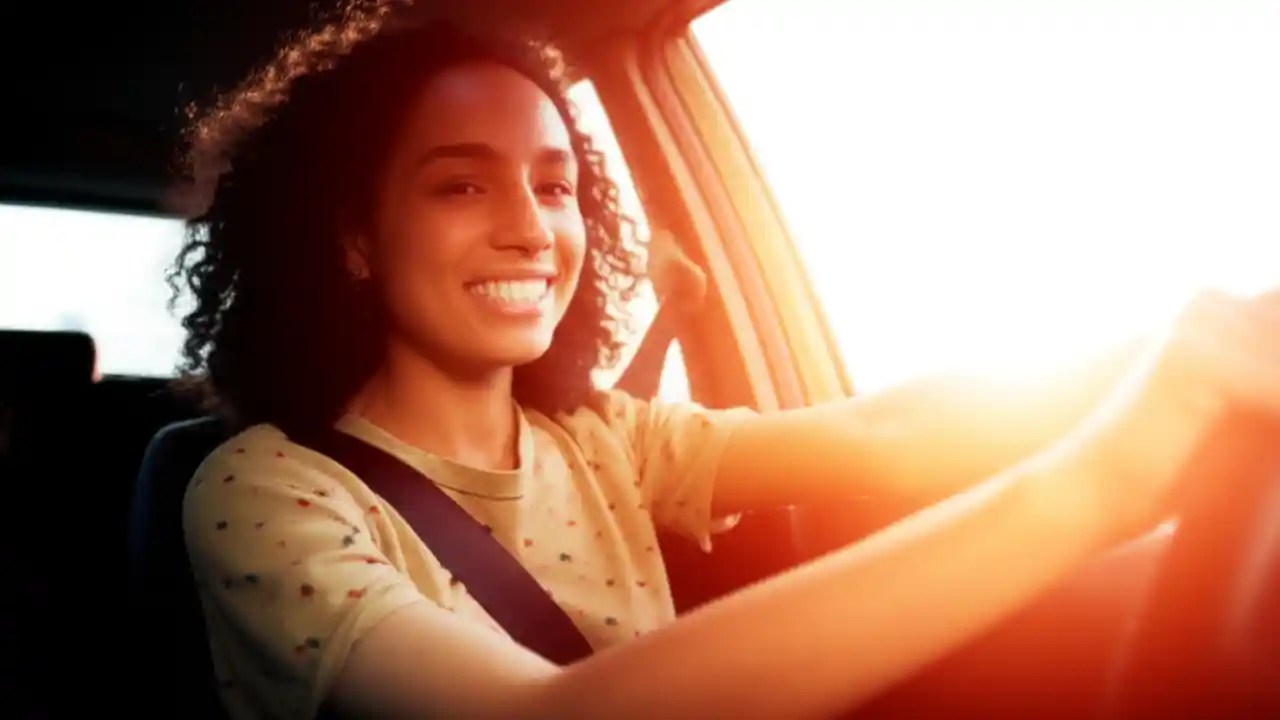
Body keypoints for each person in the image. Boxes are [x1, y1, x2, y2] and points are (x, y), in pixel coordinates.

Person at [169, 2, 1280, 718]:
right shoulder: (264, 490)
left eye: (555, 186)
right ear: (354, 239)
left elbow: (880, 435)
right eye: (461, 184)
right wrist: (1100, 481)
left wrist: (1191, 352)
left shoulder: (604, 439)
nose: (530, 227)